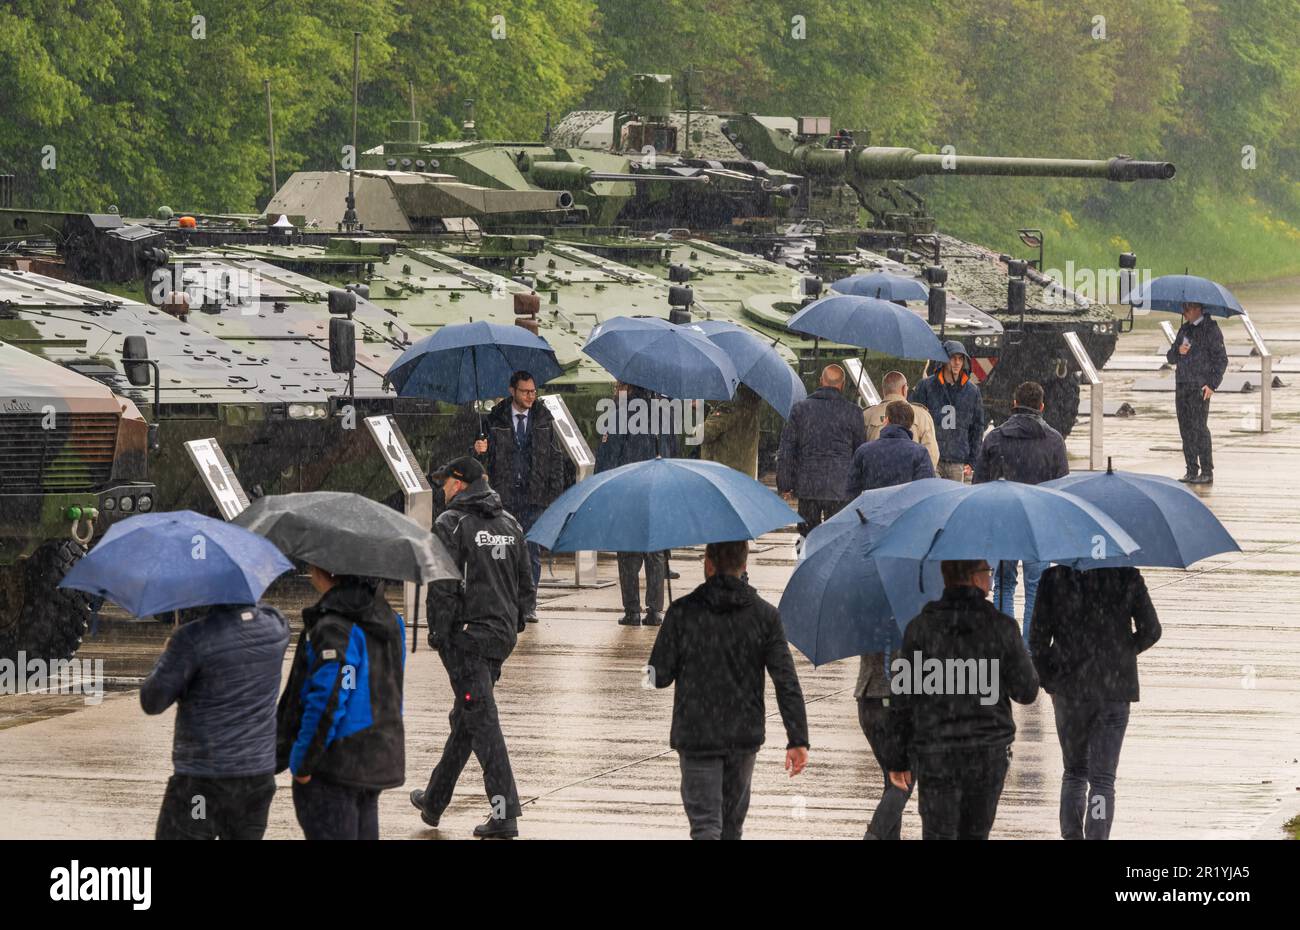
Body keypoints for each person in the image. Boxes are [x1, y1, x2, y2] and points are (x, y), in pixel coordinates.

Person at [646, 540, 810, 840]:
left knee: (706, 826)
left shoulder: (682, 612)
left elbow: (658, 677)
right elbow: (786, 680)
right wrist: (797, 738)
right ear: (744, 564)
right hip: (742, 736)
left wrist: (660, 652)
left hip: (697, 736)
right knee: (731, 828)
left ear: (708, 563)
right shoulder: (765, 616)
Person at [412, 456, 533, 838]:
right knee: (467, 718)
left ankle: (504, 813)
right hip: (498, 639)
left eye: (445, 481)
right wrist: (512, 624)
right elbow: (526, 585)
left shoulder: (450, 524)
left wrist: (441, 635)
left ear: (460, 483)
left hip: (467, 641)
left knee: (482, 725)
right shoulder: (510, 523)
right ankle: (434, 800)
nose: (442, 488)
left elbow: (442, 587)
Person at [880, 559, 1039, 840]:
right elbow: (1026, 692)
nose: (991, 578)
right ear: (975, 579)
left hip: (937, 750)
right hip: (987, 751)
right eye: (987, 572)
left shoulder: (921, 628)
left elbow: (902, 699)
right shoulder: (1001, 628)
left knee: (938, 833)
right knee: (976, 834)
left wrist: (897, 757)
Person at [1030, 565, 1162, 840]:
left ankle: (1072, 836)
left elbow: (1038, 639)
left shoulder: (1055, 578)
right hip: (1113, 690)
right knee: (1102, 779)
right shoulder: (1127, 575)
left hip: (1069, 689)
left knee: (1074, 772)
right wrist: (1121, 653)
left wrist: (1049, 681)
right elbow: (1151, 630)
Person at [141, 603, 289, 840]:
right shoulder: (276, 627)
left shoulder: (192, 639)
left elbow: (152, 700)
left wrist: (170, 655)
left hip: (203, 784)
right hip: (256, 779)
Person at [277, 569, 406, 841]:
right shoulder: (390, 621)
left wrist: (302, 763)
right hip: (373, 760)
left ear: (327, 570)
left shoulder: (334, 626)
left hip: (334, 764)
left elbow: (327, 700)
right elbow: (390, 689)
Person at [973, 380, 1069, 641]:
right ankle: (1029, 652)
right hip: (1039, 524)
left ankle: (1006, 649)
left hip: (1003, 522)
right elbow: (1061, 488)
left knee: (1004, 586)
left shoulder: (994, 438)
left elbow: (979, 484)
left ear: (1014, 404)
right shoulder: (1054, 441)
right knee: (1036, 590)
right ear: (1041, 406)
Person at [473, 370, 569, 621]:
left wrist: (554, 497)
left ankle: (528, 605)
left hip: (534, 496)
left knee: (530, 553)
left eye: (533, 391)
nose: (530, 396)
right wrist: (480, 450)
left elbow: (555, 460)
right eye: (525, 391)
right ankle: (503, 603)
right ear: (512, 391)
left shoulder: (543, 419)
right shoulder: (495, 420)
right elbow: (483, 463)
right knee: (501, 551)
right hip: (503, 497)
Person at [596, 381, 679, 626]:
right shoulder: (665, 411)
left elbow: (608, 453)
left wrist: (603, 485)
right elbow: (673, 449)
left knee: (628, 553)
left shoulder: (621, 411)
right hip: (658, 487)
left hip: (628, 489)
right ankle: (655, 610)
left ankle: (632, 610)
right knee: (655, 551)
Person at [776, 363, 866, 535]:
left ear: (821, 381)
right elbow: (859, 451)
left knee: (808, 537)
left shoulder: (800, 409)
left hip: (808, 486)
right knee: (837, 537)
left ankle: (808, 561)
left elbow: (787, 449)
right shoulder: (853, 412)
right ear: (843, 384)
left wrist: (785, 484)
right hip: (841, 487)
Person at [1166, 301, 1228, 484]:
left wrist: (1212, 384)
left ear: (1198, 309)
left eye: (1188, 309)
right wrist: (1178, 350)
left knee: (1199, 428)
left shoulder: (1211, 330)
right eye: (1183, 309)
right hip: (1183, 385)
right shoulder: (1184, 330)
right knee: (1185, 428)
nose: (1184, 313)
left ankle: (1207, 471)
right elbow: (1170, 357)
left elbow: (1221, 360)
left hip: (1200, 387)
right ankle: (1191, 469)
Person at [910, 340, 986, 483]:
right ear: (943, 360)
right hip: (931, 459)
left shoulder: (972, 392)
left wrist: (972, 461)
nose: (957, 362)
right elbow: (915, 422)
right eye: (953, 358)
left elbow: (978, 427)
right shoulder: (926, 387)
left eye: (960, 358)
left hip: (958, 461)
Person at [847, 400, 935, 496]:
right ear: (910, 424)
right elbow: (926, 489)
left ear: (886, 420)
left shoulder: (864, 451)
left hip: (871, 509)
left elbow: (852, 490)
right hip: (906, 509)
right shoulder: (920, 453)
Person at [864, 370, 939, 469]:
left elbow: (859, 452)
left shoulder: (867, 415)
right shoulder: (922, 415)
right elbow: (932, 454)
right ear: (904, 389)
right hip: (911, 480)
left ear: (884, 390)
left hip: (876, 478)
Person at [700, 384, 761, 478]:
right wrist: (704, 408)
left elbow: (706, 433)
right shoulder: (750, 404)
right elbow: (727, 424)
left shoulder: (732, 405)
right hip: (742, 473)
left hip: (723, 474)